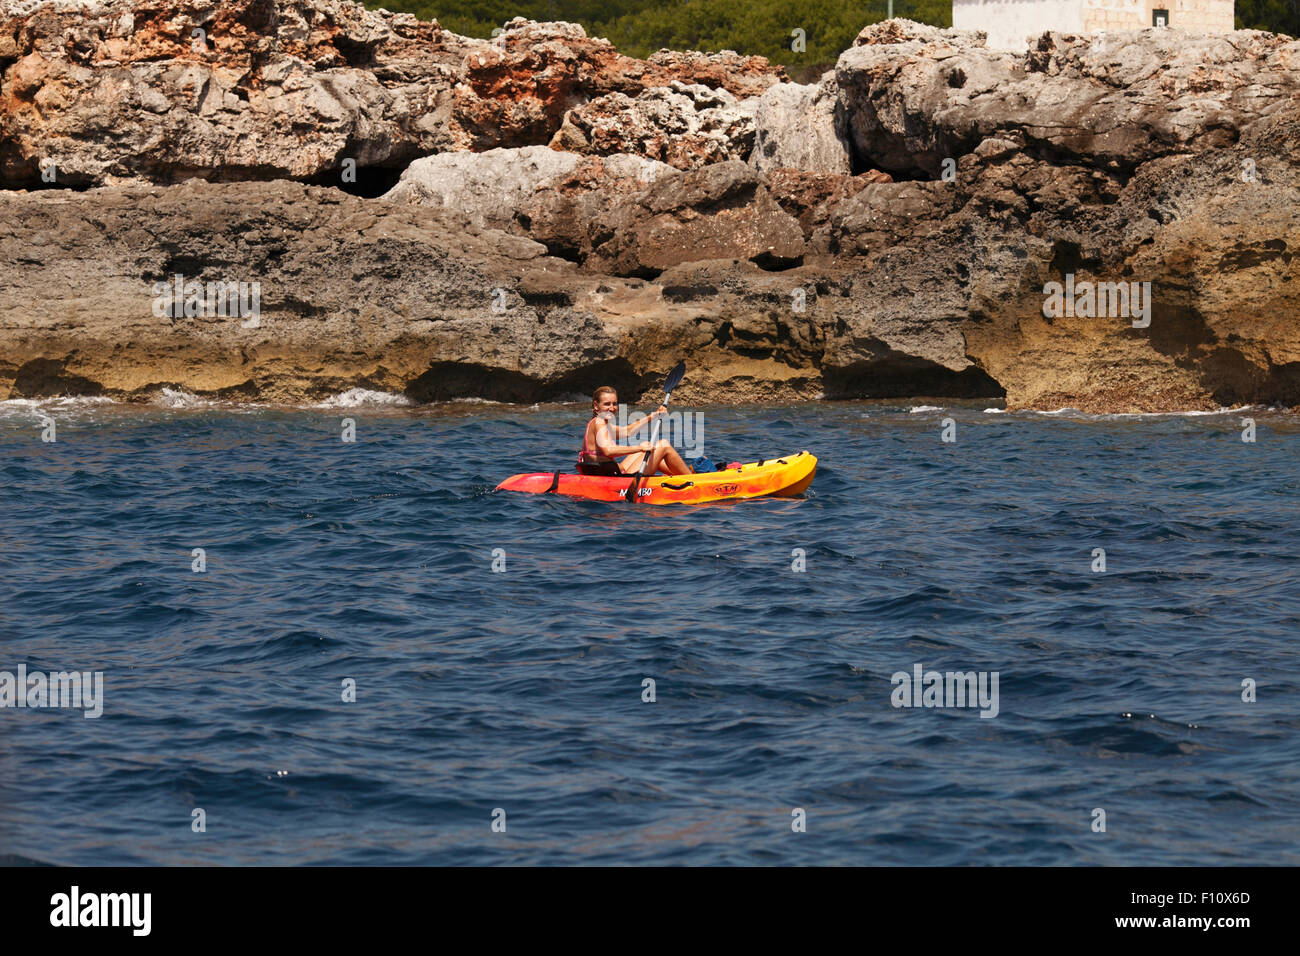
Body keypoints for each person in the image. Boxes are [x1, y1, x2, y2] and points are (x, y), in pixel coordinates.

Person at [578, 385, 692, 477]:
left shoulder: (598, 423)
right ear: (596, 406)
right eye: (607, 404)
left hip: (611, 472)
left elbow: (628, 431)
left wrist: (653, 416)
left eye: (615, 403)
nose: (612, 408)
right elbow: (608, 451)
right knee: (663, 445)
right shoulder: (599, 422)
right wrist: (640, 447)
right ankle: (692, 479)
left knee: (646, 452)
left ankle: (677, 475)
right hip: (615, 478)